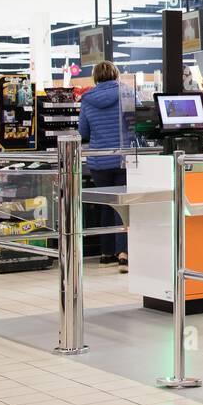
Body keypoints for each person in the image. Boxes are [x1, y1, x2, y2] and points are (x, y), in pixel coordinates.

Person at [78, 61, 128, 271]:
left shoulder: (87, 99)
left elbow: (83, 131)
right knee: (124, 206)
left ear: (95, 77)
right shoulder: (127, 94)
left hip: (99, 160)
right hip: (124, 159)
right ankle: (123, 253)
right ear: (116, 74)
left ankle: (106, 252)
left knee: (106, 206)